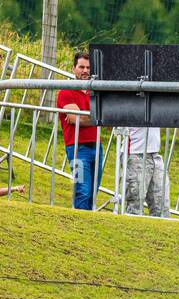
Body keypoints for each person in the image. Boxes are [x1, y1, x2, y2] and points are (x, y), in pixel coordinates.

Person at [55, 52, 101, 211]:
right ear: (74, 69)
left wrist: (85, 117)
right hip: (77, 149)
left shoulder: (96, 92)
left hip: (97, 147)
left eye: (88, 67)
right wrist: (98, 117)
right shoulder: (66, 91)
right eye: (81, 67)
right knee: (82, 190)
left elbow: (82, 118)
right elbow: (77, 119)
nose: (85, 71)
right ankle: (81, 223)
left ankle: (88, 223)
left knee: (93, 191)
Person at [124, 124, 169, 217]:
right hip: (135, 154)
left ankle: (161, 231)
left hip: (155, 154)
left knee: (162, 206)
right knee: (135, 206)